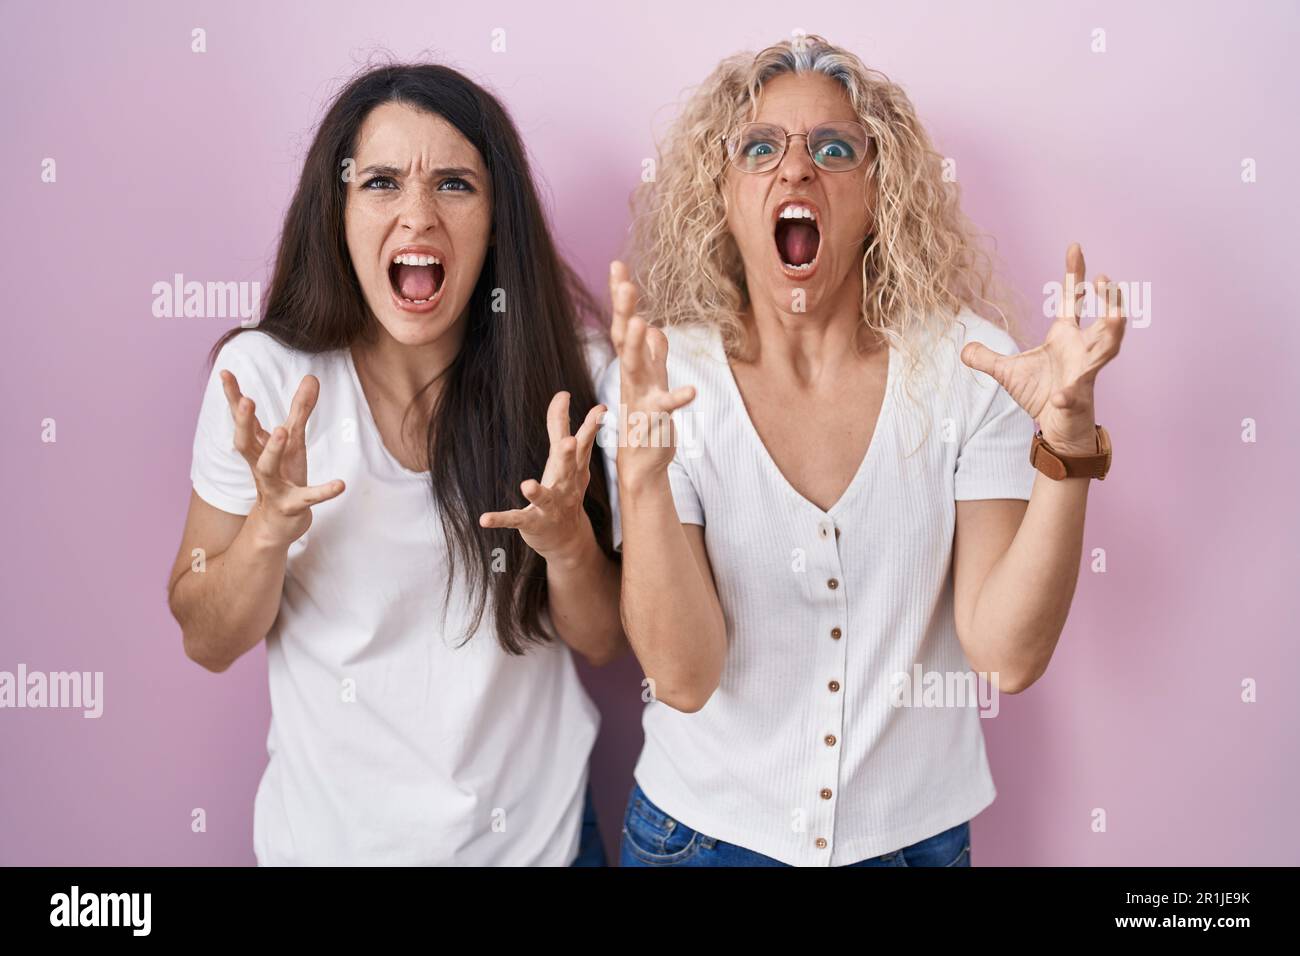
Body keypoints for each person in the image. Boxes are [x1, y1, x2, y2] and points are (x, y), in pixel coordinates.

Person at [598, 35, 1125, 867]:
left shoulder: (969, 365)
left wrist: (1065, 448)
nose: (796, 171)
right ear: (723, 196)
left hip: (914, 842)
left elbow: (1007, 653)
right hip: (698, 841)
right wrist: (643, 476)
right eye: (760, 148)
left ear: (881, 194)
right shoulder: (661, 373)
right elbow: (685, 675)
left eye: (835, 149)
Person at [166, 63, 625, 865]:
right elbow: (207, 639)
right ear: (336, 212)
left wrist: (567, 544)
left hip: (540, 842)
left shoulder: (570, 372)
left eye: (455, 185)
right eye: (381, 182)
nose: (418, 216)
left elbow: (600, 642)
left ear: (497, 218)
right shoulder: (265, 377)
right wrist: (269, 528)